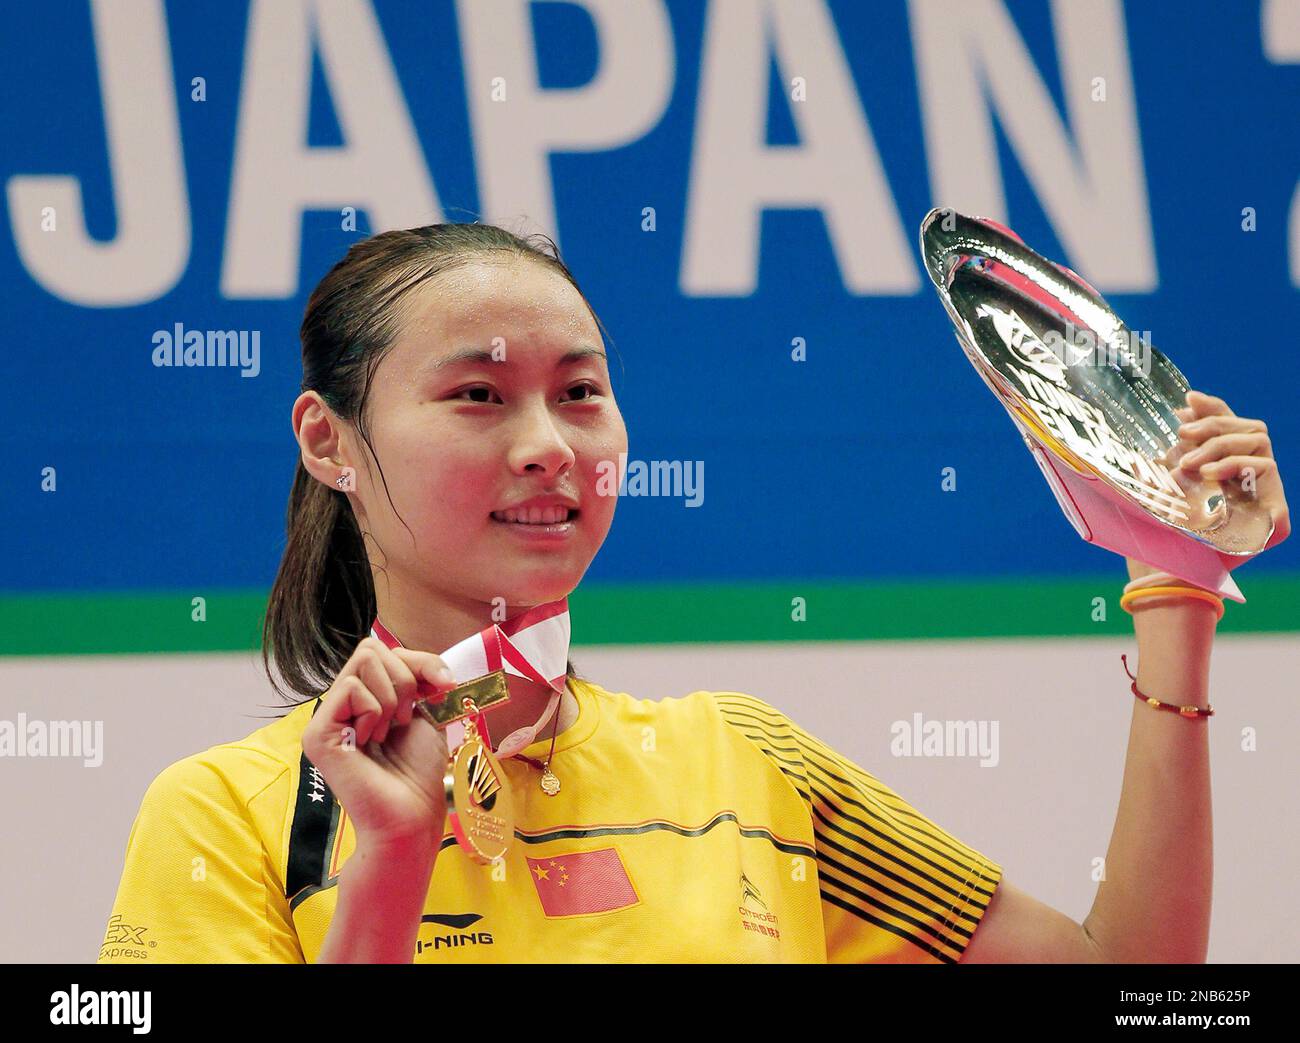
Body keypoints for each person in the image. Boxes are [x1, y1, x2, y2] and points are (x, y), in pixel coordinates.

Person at [96, 224, 1290, 964]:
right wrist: (394, 863)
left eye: (579, 392)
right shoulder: (229, 817)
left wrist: (1176, 587)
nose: (546, 444)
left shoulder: (747, 762)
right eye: (475, 395)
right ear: (328, 440)